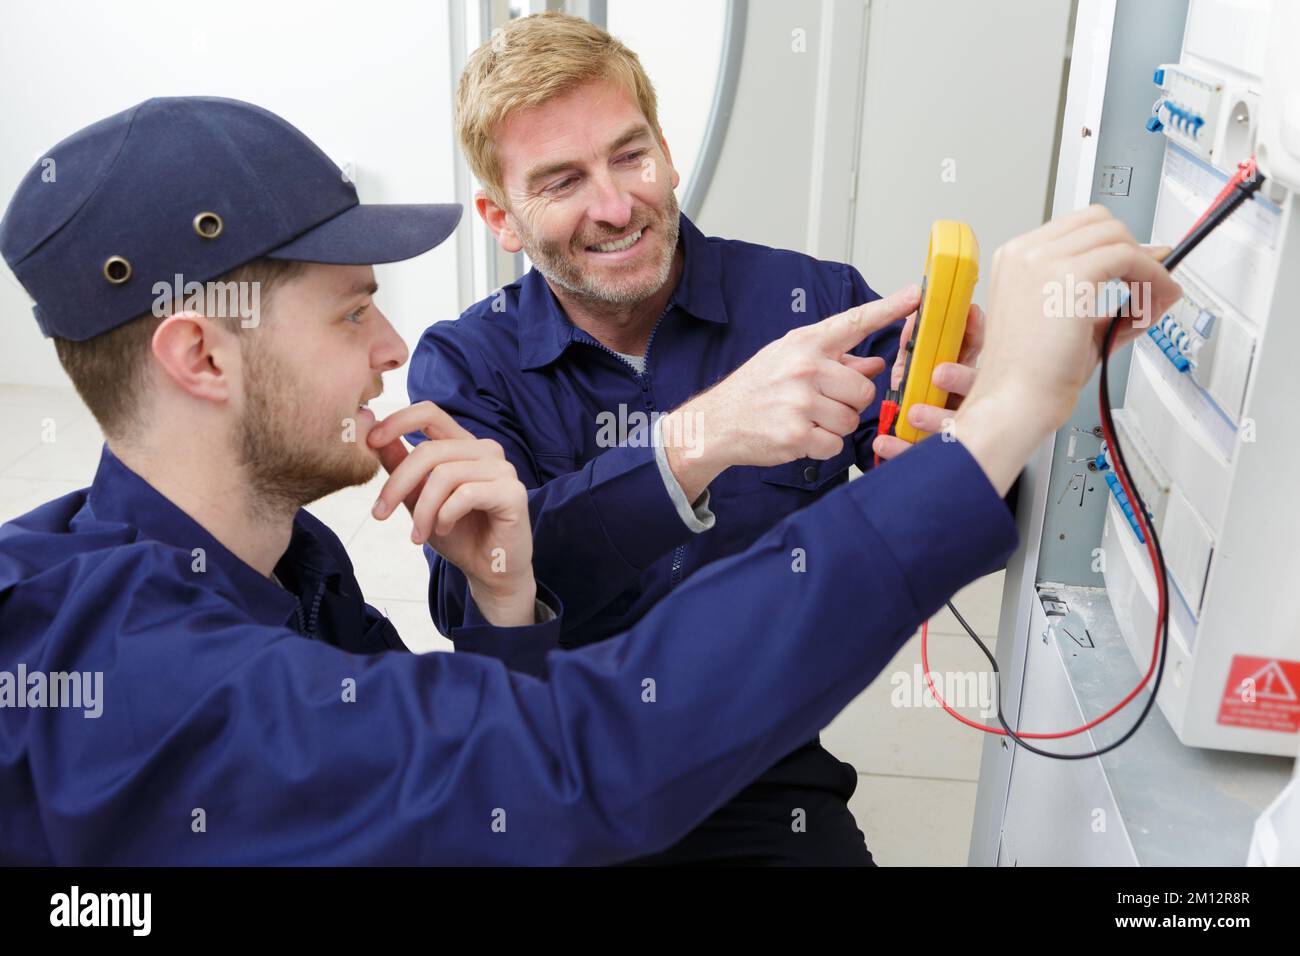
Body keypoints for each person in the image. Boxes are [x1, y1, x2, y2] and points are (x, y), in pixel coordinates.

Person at [0, 95, 1179, 865]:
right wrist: (1018, 406)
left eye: (630, 157)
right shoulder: (120, 661)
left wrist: (509, 596)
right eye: (353, 310)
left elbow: (467, 790)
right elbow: (563, 761)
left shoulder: (286, 567)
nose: (389, 350)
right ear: (200, 353)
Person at [409, 10, 986, 863]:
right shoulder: (463, 366)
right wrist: (697, 442)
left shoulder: (810, 303)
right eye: (562, 181)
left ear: (668, 151)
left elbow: (959, 495)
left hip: (761, 775)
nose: (616, 205)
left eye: (630, 155)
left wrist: (977, 433)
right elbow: (479, 611)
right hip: (551, 769)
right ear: (502, 217)